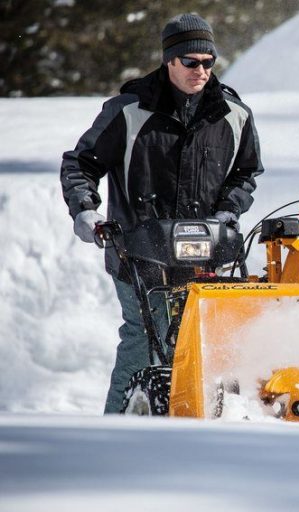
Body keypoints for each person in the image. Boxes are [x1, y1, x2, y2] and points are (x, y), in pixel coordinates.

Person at [60, 13, 264, 414]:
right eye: (191, 62)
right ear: (169, 60)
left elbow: (246, 173)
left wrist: (227, 211)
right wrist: (85, 210)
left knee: (208, 341)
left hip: (205, 254)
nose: (201, 70)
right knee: (144, 337)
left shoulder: (233, 115)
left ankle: (206, 422)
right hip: (138, 251)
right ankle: (119, 423)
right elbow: (80, 164)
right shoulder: (129, 111)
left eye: (208, 62)